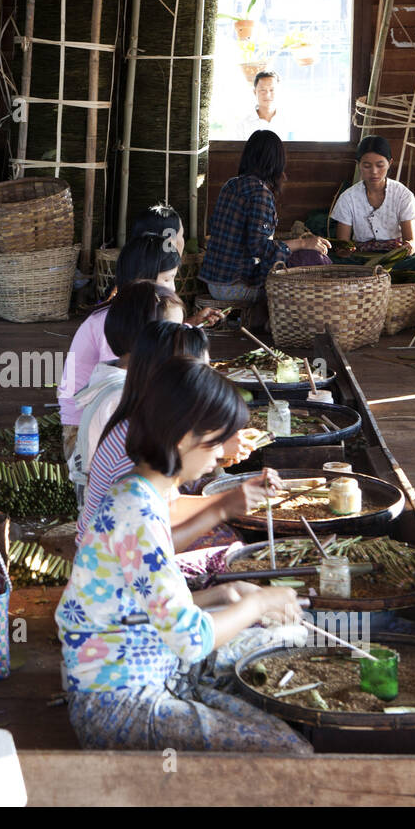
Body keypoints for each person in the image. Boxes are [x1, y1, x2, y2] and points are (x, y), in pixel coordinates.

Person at [57, 357, 311, 752]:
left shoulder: (139, 492)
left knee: (294, 638)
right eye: (217, 440)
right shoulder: (136, 511)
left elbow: (139, 606)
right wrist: (259, 601)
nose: (222, 454)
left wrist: (221, 596)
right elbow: (191, 640)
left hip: (157, 664)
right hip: (121, 702)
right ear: (182, 436)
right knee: (289, 752)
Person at [78, 321, 270, 581]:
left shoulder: (142, 420)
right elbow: (157, 533)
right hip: (113, 575)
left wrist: (215, 448)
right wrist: (224, 505)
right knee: (233, 554)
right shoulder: (131, 455)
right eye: (201, 373)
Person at [57, 205, 222, 460]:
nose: (172, 287)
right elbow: (134, 379)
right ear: (142, 281)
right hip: (87, 430)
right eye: (167, 280)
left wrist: (188, 326)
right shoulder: (110, 322)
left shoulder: (133, 314)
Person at [68, 282, 185, 503]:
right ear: (142, 337)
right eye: (172, 332)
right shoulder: (119, 396)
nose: (181, 341)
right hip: (114, 513)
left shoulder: (119, 377)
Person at [200, 130, 328, 311]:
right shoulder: (259, 193)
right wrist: (303, 243)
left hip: (213, 282)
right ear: (277, 162)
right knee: (308, 260)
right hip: (234, 287)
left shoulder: (231, 184)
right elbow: (258, 247)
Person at [331, 135, 415, 255]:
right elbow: (342, 244)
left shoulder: (402, 195)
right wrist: (345, 252)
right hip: (360, 258)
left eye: (380, 165)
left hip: (395, 257)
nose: (374, 171)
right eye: (367, 166)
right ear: (359, 165)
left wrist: (410, 247)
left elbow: (411, 241)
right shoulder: (348, 198)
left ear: (389, 163)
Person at [236, 71, 286, 141]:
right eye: (263, 90)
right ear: (254, 92)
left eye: (272, 90)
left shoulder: (288, 120)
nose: (267, 95)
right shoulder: (243, 124)